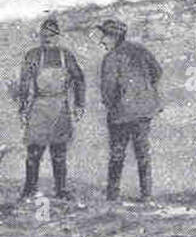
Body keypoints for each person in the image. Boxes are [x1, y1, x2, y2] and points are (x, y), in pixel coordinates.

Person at [15, 17, 86, 201]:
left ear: (57, 35)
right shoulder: (33, 55)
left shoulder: (66, 56)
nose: (47, 38)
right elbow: (24, 83)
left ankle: (61, 190)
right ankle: (29, 190)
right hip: (39, 106)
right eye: (44, 34)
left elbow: (79, 79)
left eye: (51, 34)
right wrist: (23, 108)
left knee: (59, 152)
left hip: (61, 106)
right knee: (34, 152)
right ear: (40, 35)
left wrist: (79, 104)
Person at [98, 19, 162, 203]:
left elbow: (108, 90)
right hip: (144, 110)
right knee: (142, 153)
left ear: (115, 37)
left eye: (105, 36)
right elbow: (157, 72)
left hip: (122, 113)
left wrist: (112, 106)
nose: (102, 41)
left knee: (117, 153)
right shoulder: (140, 50)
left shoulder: (111, 58)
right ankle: (147, 195)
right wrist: (145, 92)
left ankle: (112, 195)